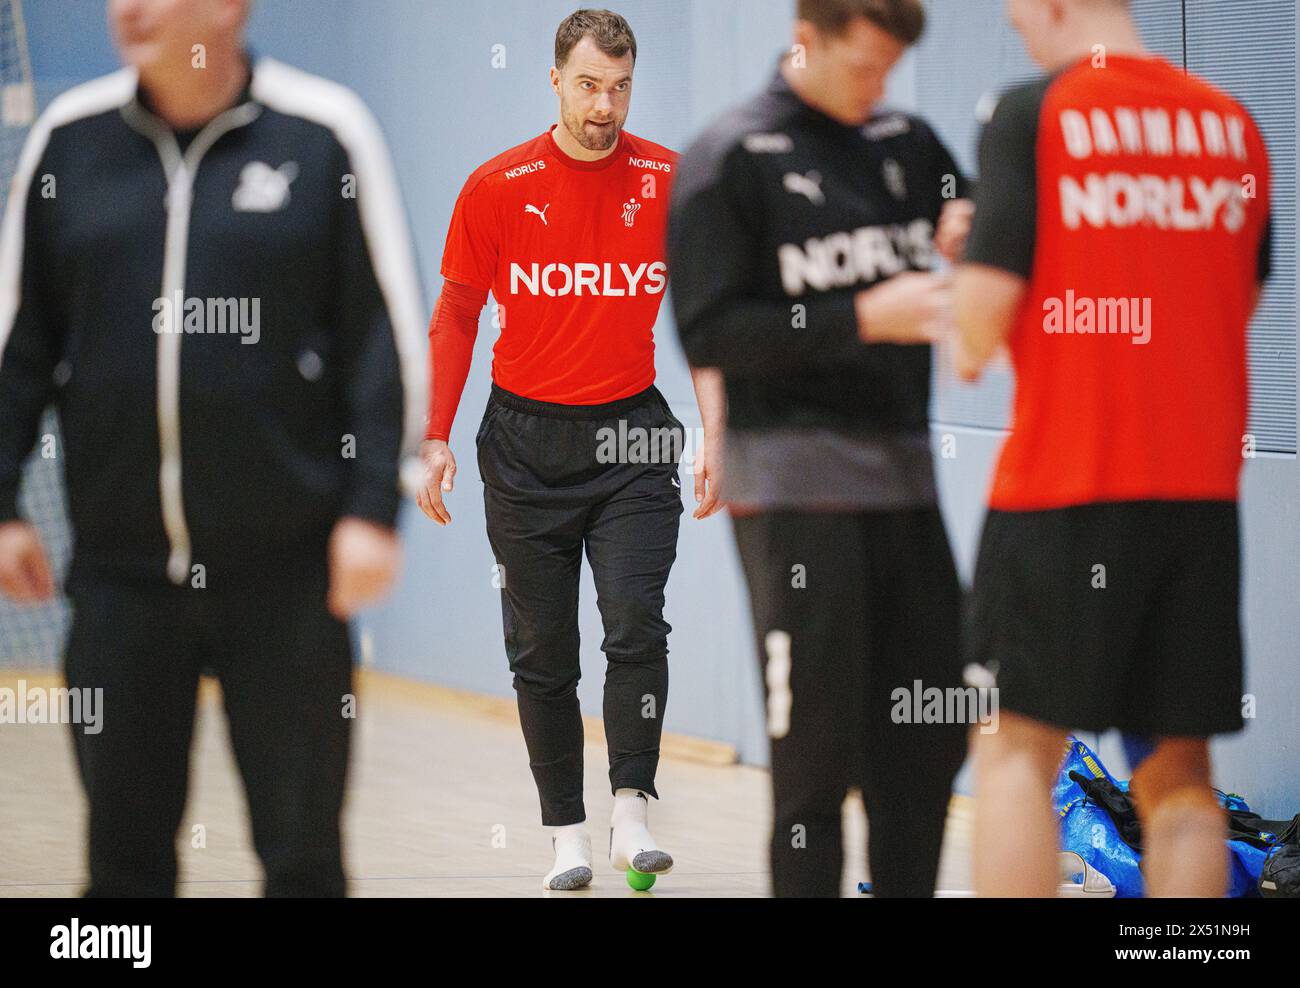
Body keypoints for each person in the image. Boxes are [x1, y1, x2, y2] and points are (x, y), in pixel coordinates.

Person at [0, 0, 424, 896]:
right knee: (122, 867)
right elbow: (22, 344)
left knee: (303, 861)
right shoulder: (68, 147)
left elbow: (382, 338)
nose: (129, 9)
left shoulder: (323, 135)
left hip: (290, 581)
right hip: (118, 582)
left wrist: (374, 508)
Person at [953, 0, 1272, 897]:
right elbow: (1230, 305)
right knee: (1179, 783)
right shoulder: (1231, 124)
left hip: (1064, 490)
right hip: (1198, 506)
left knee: (1018, 753)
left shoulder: (1032, 115)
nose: (1016, 22)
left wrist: (977, 254)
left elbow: (976, 337)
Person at [416, 8, 726, 891]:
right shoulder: (497, 185)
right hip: (521, 442)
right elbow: (457, 313)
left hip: (631, 434)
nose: (606, 105)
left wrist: (718, 430)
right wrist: (435, 437)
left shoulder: (670, 179)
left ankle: (632, 810)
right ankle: (566, 834)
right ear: (555, 79)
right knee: (541, 650)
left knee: (634, 621)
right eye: (590, 85)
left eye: (621, 87)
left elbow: (702, 314)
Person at [668, 0, 972, 897]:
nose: (877, 87)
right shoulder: (730, 158)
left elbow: (976, 214)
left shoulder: (909, 144)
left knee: (923, 749)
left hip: (907, 488)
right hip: (795, 491)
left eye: (890, 70)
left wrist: (972, 227)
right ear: (809, 36)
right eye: (864, 66)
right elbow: (710, 330)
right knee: (815, 761)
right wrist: (860, 318)